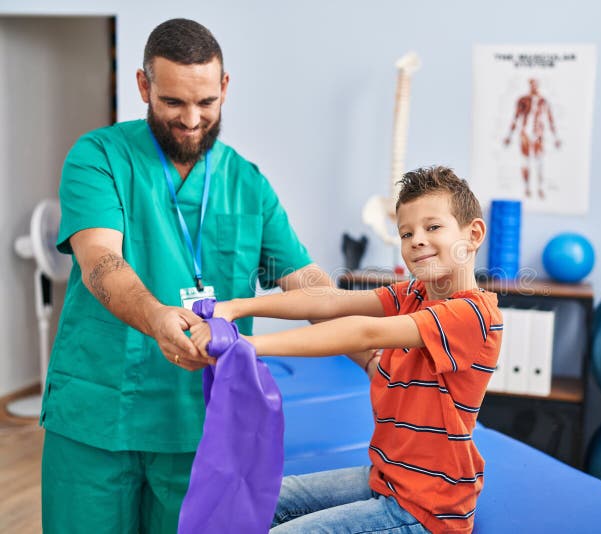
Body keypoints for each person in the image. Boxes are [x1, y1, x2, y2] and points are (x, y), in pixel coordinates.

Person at [40, 18, 370, 534]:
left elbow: (305, 283)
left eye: (207, 104)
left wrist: (375, 351)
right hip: (99, 419)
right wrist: (154, 317)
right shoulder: (99, 157)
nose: (192, 120)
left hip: (201, 425)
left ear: (225, 88)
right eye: (173, 103)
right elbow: (101, 262)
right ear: (144, 86)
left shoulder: (247, 183)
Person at [190, 166, 503, 533]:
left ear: (473, 233)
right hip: (388, 478)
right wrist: (238, 307)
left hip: (425, 511)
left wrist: (251, 345)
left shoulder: (472, 314)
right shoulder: (413, 294)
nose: (417, 239)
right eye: (406, 232)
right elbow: (331, 301)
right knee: (258, 500)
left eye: (433, 227)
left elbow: (366, 332)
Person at [503, 78, 561, 199]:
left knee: (539, 162)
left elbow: (550, 119)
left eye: (536, 85)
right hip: (525, 133)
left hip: (538, 133)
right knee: (526, 161)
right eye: (532, 84)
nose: (534, 87)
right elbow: (516, 117)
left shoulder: (543, 101)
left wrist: (555, 137)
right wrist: (509, 136)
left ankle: (540, 188)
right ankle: (527, 188)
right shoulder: (523, 100)